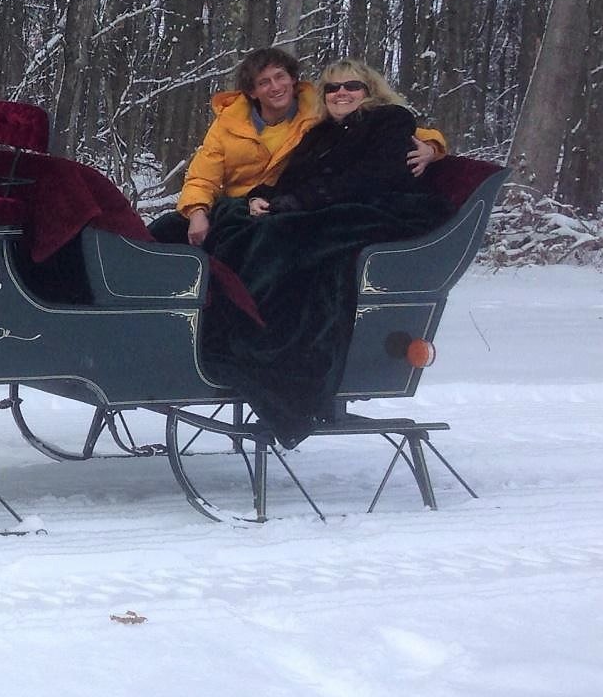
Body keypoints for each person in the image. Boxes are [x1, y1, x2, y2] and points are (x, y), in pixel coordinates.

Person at [196, 59, 453, 444]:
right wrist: (264, 198)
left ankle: (264, 346)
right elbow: (292, 176)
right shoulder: (319, 134)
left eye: (352, 86)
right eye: (332, 88)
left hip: (379, 211)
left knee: (280, 240)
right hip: (325, 207)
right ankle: (222, 325)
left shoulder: (390, 120)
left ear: (370, 91)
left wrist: (297, 203)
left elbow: (368, 178)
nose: (342, 93)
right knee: (234, 224)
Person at [147, 47, 443, 246]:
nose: (275, 87)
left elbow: (394, 126)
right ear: (252, 92)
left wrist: (432, 146)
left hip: (287, 204)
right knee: (166, 229)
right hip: (243, 202)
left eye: (280, 77)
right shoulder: (227, 124)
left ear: (293, 79)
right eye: (264, 83)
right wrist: (198, 211)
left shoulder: (317, 109)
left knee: (247, 243)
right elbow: (203, 175)